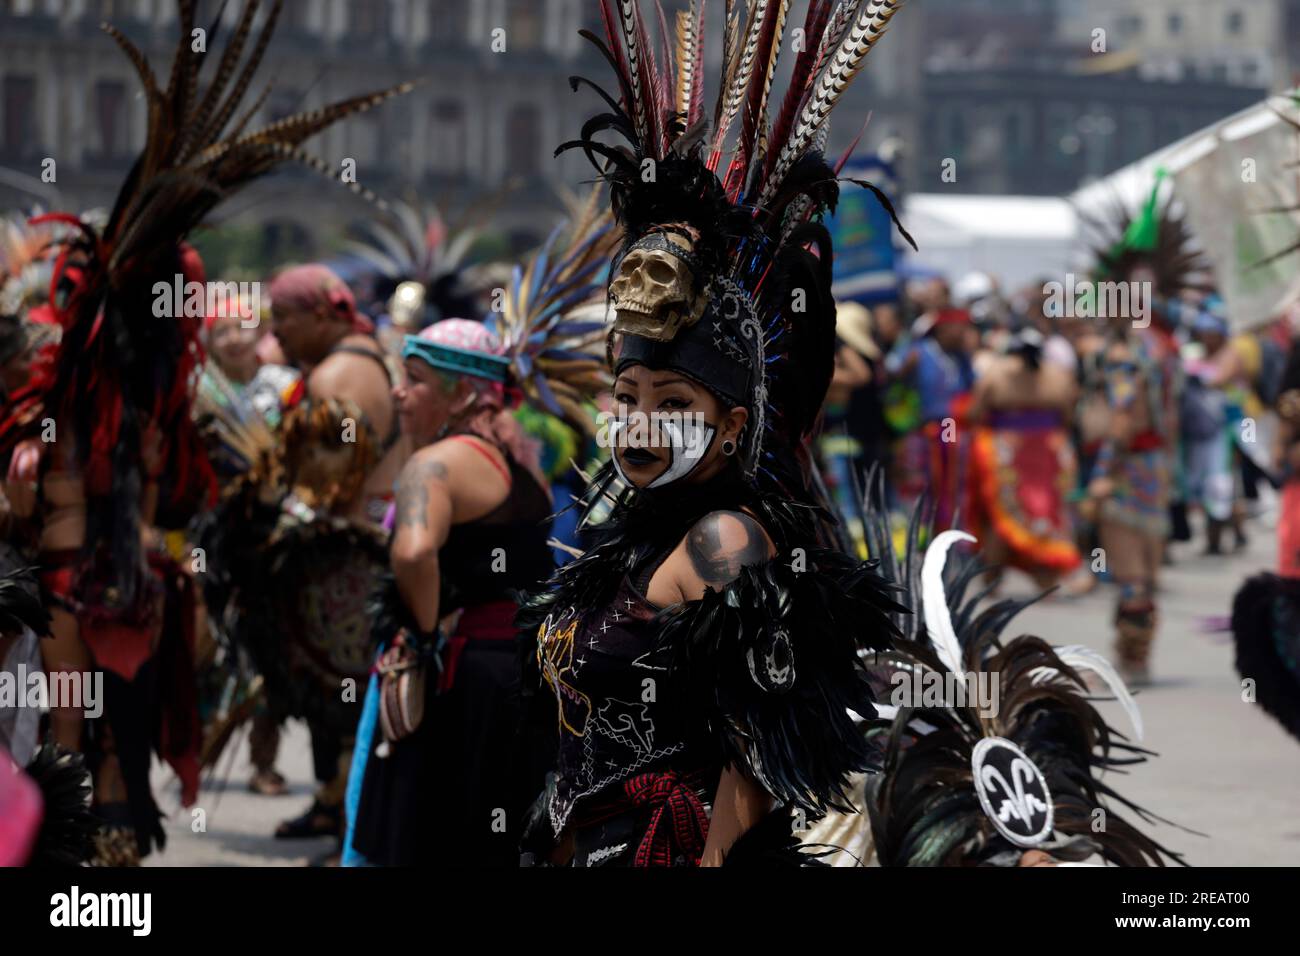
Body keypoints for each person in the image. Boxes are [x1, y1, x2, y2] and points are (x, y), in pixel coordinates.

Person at [516, 0, 913, 867]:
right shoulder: (625, 526)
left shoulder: (725, 539)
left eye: (673, 400)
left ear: (733, 426)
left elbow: (754, 758)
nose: (640, 420)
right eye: (627, 393)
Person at [345, 207, 612, 866]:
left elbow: (411, 550)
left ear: (462, 393)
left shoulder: (434, 465)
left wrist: (430, 625)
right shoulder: (513, 456)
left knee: (441, 839)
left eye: (416, 382)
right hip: (515, 675)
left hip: (461, 678)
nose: (400, 395)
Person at [967, 328, 1081, 589]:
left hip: (1008, 449)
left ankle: (992, 579)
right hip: (1050, 451)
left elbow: (976, 412)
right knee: (1049, 514)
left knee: (1003, 513)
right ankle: (1046, 579)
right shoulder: (1058, 375)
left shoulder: (996, 371)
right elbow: (1069, 415)